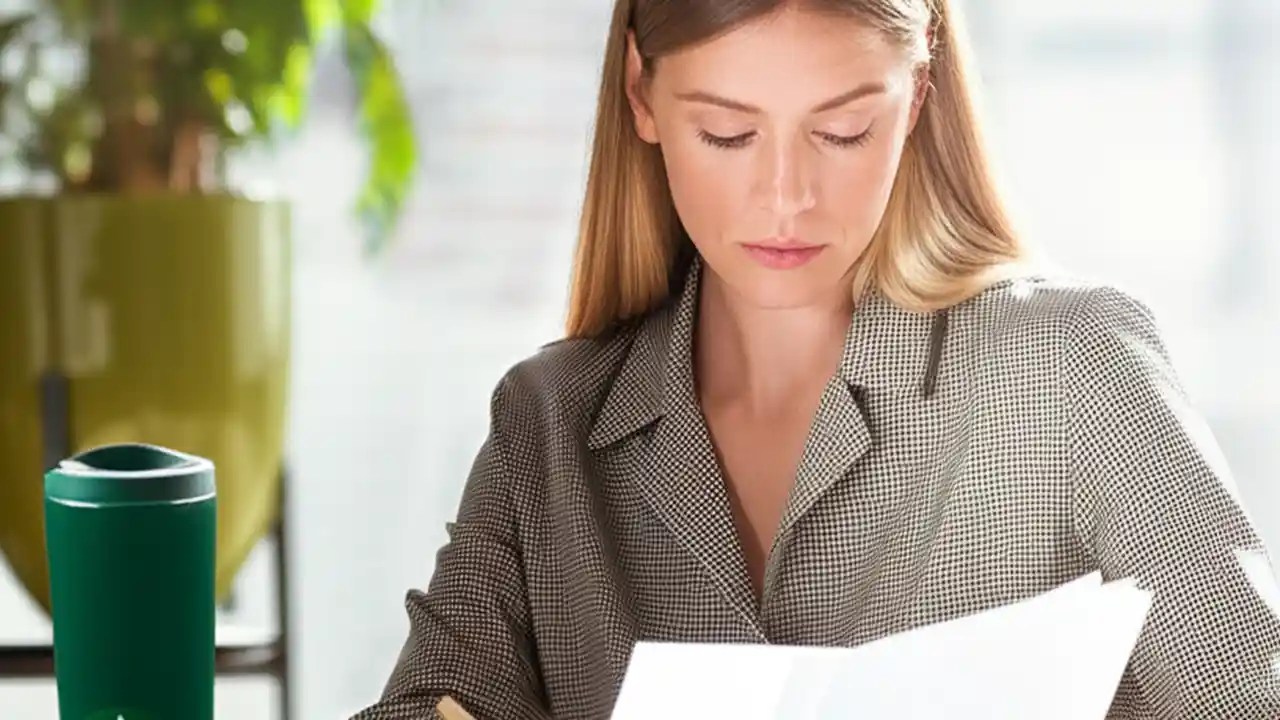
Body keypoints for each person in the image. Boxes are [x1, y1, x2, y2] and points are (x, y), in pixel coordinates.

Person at [354, 0, 1280, 718]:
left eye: (841, 132)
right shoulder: (547, 427)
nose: (785, 197)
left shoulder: (1070, 372)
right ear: (641, 93)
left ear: (916, 96)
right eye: (728, 134)